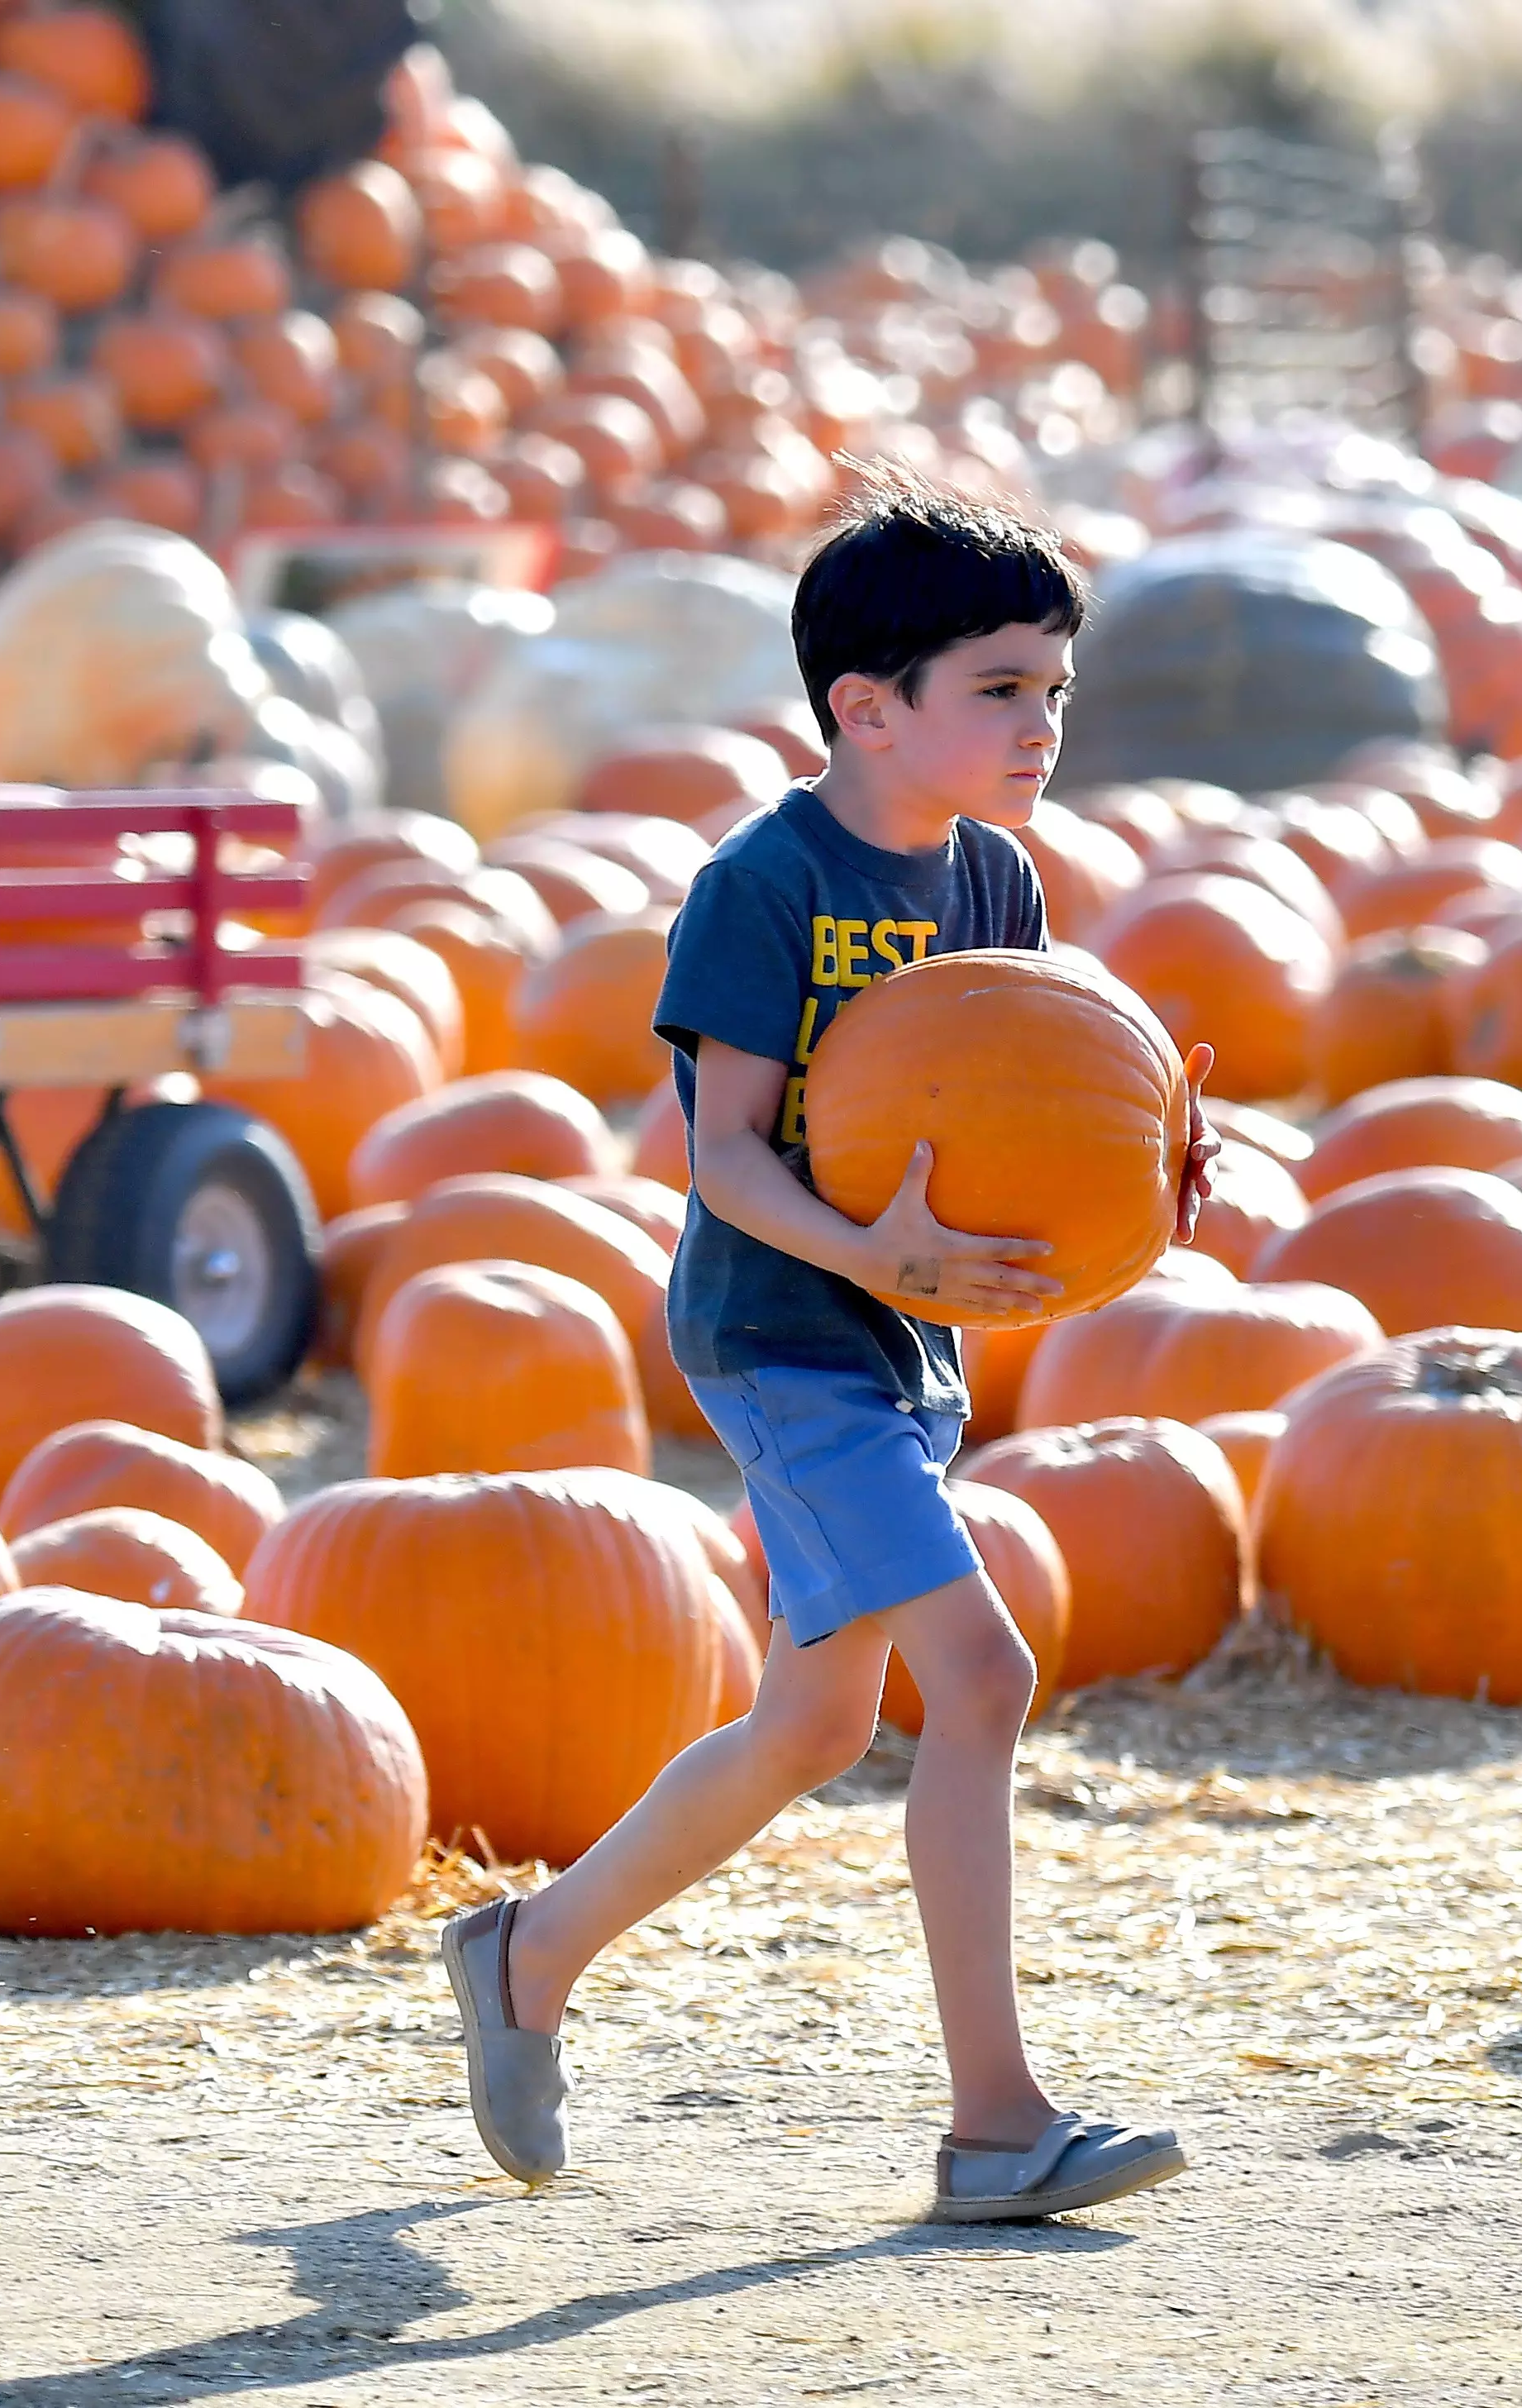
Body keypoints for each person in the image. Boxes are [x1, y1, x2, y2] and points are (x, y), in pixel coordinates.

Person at [441, 466, 1218, 2223]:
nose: (1041, 725)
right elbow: (719, 1157)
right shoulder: (761, 884)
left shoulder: (997, 881)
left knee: (809, 1720)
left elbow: (1034, 1107)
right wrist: (869, 1247)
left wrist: (1144, 1164)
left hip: (894, 1340)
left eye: (1054, 691)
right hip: (780, 1328)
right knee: (982, 1675)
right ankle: (993, 2126)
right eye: (999, 690)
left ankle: (525, 1954)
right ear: (866, 707)